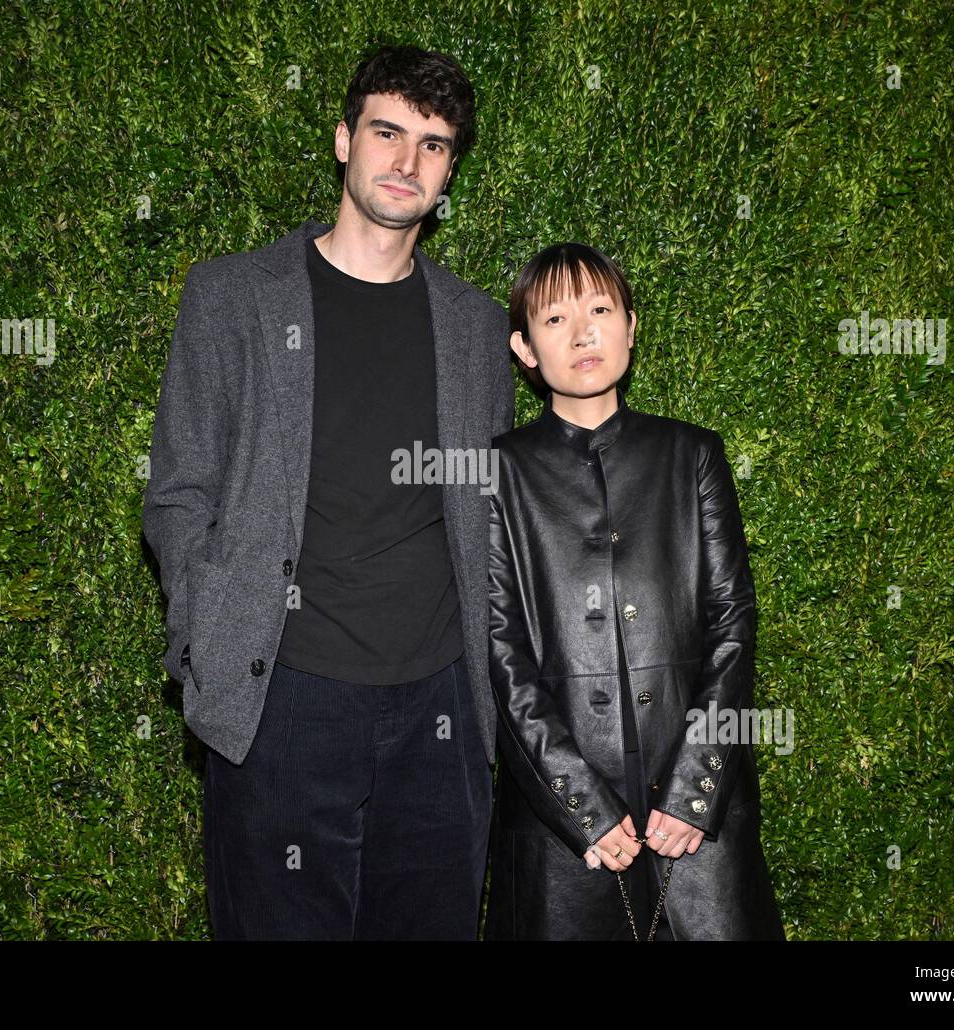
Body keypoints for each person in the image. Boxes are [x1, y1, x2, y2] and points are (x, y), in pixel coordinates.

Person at [142, 45, 514, 939]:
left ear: (449, 170)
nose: (407, 161)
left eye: (433, 145)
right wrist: (211, 635)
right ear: (344, 140)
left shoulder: (477, 328)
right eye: (388, 133)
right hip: (283, 701)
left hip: (441, 709)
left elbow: (493, 514)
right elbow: (178, 492)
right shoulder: (233, 296)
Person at [483, 242, 786, 940]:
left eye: (599, 309)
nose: (583, 333)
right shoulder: (497, 472)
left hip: (700, 827)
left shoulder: (693, 455)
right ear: (524, 348)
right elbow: (501, 652)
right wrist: (582, 808)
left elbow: (732, 625)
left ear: (631, 325)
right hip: (562, 837)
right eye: (554, 319)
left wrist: (694, 789)